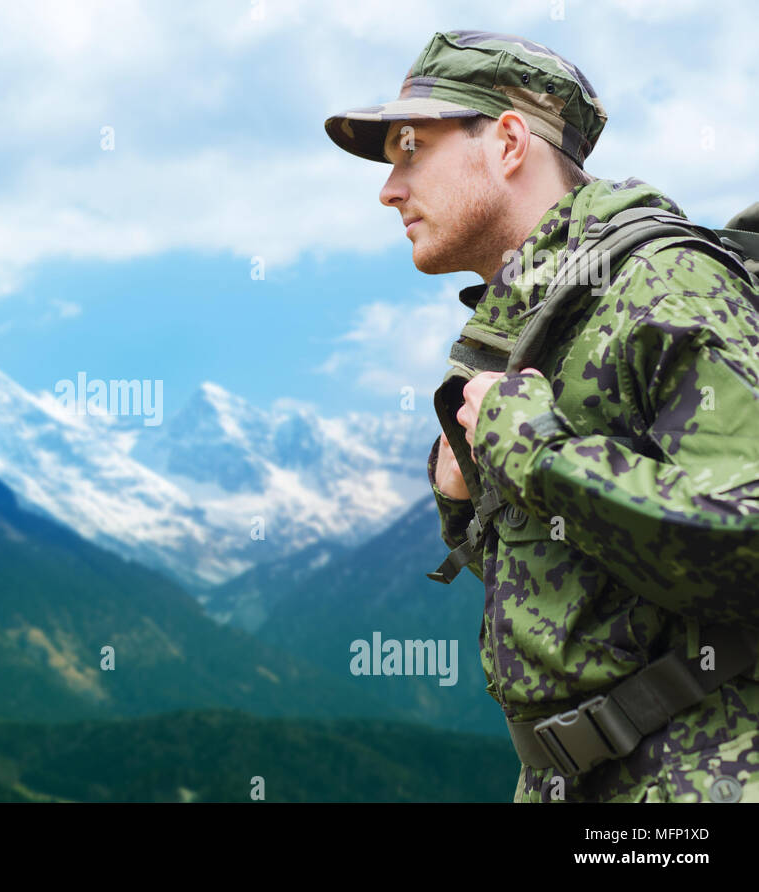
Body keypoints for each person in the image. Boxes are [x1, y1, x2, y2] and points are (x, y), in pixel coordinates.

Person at [323, 30, 759, 802]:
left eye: (409, 149)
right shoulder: (537, 322)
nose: (388, 188)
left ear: (510, 142)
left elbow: (747, 540)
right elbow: (605, 588)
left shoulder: (666, 286)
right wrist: (469, 509)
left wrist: (527, 449)